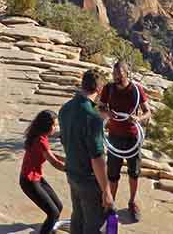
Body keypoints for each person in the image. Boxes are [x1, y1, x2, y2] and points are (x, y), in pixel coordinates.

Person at [59, 69, 113, 234]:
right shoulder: (93, 118)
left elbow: (65, 140)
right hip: (89, 180)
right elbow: (97, 158)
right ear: (99, 89)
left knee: (78, 217)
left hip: (72, 173)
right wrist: (106, 191)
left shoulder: (65, 109)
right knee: (94, 225)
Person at [98, 60, 152, 222]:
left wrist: (138, 118)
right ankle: (110, 204)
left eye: (119, 74)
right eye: (114, 74)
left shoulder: (136, 90)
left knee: (134, 172)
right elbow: (100, 107)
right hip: (114, 136)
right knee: (113, 174)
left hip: (132, 136)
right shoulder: (109, 88)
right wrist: (108, 114)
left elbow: (148, 112)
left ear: (126, 73)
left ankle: (132, 201)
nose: (116, 77)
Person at [20, 110, 66, 234]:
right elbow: (54, 162)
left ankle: (50, 230)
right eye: (54, 125)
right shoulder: (41, 140)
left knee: (58, 207)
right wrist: (73, 169)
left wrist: (68, 159)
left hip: (37, 178)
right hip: (29, 181)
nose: (56, 128)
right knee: (53, 213)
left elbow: (50, 154)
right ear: (46, 125)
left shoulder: (40, 136)